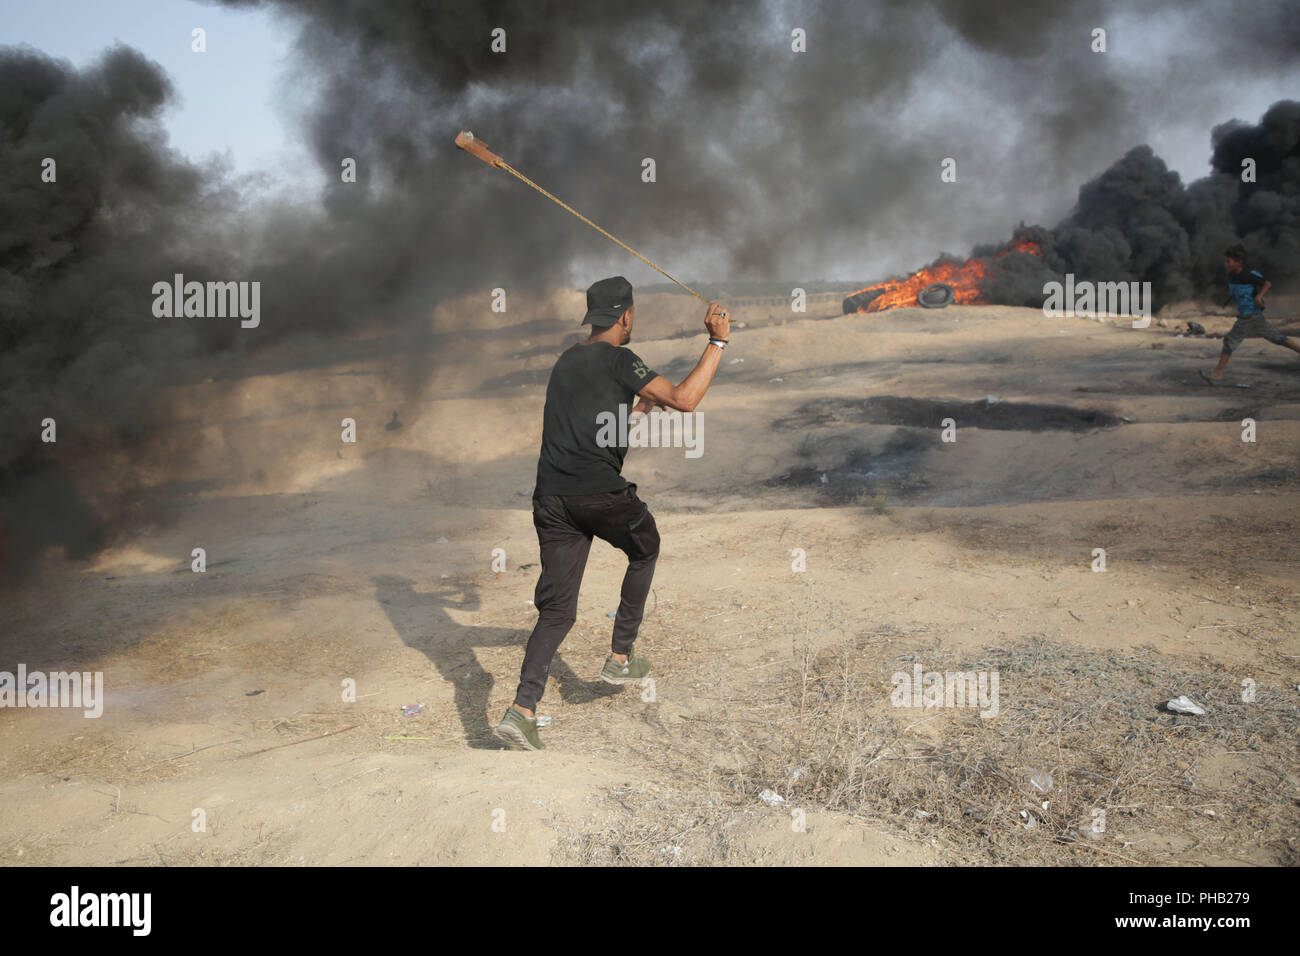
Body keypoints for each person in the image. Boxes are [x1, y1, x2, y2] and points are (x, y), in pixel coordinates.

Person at [495, 276, 732, 750]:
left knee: (557, 611)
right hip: (599, 493)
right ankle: (621, 657)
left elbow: (606, 432)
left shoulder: (566, 361)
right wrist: (717, 342)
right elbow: (686, 400)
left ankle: (521, 711)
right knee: (646, 548)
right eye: (631, 315)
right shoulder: (622, 358)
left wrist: (641, 408)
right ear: (626, 315)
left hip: (552, 499)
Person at [1203, 244, 1299, 383]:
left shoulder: (1247, 275)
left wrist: (1259, 297)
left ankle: (1217, 373)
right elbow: (1236, 291)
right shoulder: (1232, 275)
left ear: (1239, 262)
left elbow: (1267, 283)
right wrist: (1227, 301)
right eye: (1226, 261)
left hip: (1248, 316)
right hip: (1256, 317)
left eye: (1229, 261)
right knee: (1277, 338)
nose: (1226, 264)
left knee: (1230, 342)